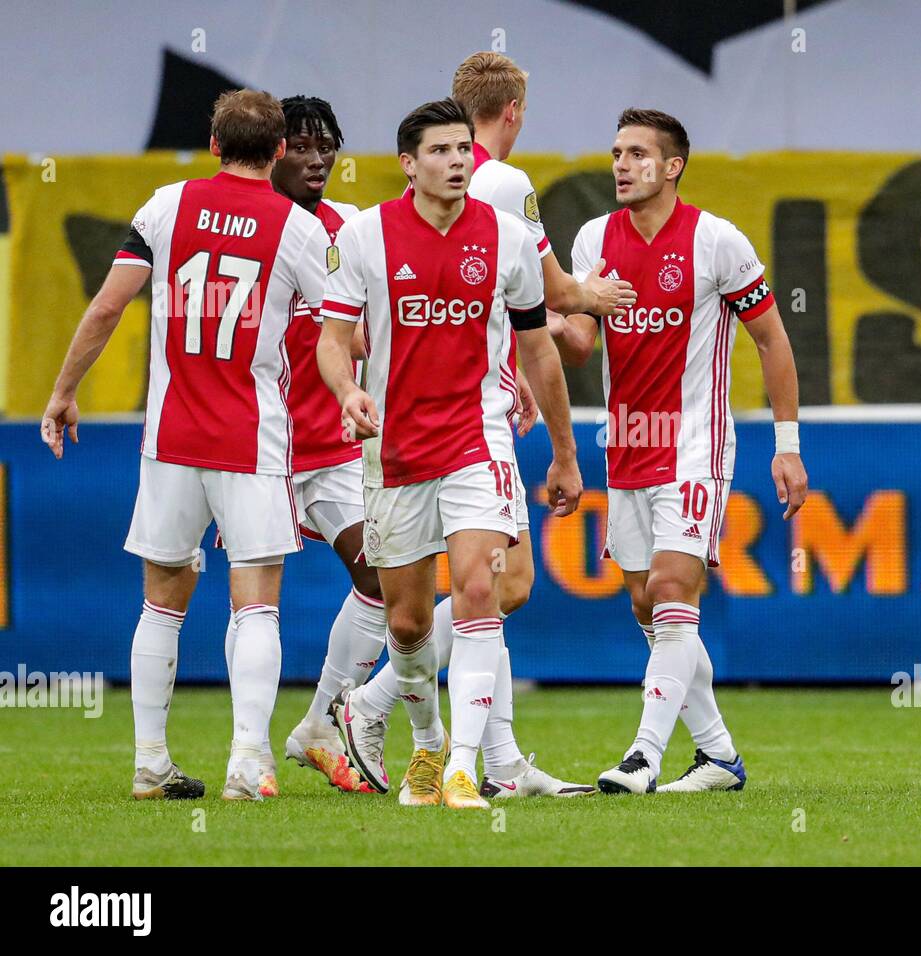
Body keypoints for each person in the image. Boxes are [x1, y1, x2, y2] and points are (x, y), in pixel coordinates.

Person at [337, 52, 632, 799]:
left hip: (479, 429)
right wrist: (594, 298)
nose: (457, 162)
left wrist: (554, 423)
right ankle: (399, 722)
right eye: (440, 151)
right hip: (403, 440)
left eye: (459, 149)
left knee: (484, 585)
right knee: (419, 617)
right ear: (514, 112)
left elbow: (535, 323)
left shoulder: (487, 220)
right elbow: (558, 300)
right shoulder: (490, 197)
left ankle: (475, 765)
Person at [40, 89, 332, 801]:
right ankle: (247, 764)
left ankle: (148, 763)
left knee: (161, 603)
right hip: (251, 439)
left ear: (213, 145)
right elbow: (339, 327)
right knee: (256, 605)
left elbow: (109, 304)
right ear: (281, 150)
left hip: (170, 439)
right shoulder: (297, 229)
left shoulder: (166, 205)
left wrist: (63, 391)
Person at [549, 109, 808, 794]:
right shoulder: (593, 238)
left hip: (695, 445)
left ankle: (642, 755)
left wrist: (787, 446)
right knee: (647, 605)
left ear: (673, 166)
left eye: (637, 153)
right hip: (627, 447)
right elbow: (579, 343)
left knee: (670, 589)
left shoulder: (716, 241)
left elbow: (772, 340)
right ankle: (719, 756)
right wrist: (540, 312)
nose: (621, 165)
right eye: (616, 152)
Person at [215, 95, 377, 797]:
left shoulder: (352, 231)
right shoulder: (244, 232)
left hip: (338, 452)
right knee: (246, 603)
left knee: (381, 577)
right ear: (274, 151)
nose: (317, 159)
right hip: (261, 449)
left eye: (327, 146)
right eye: (302, 145)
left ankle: (317, 723)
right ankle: (237, 750)